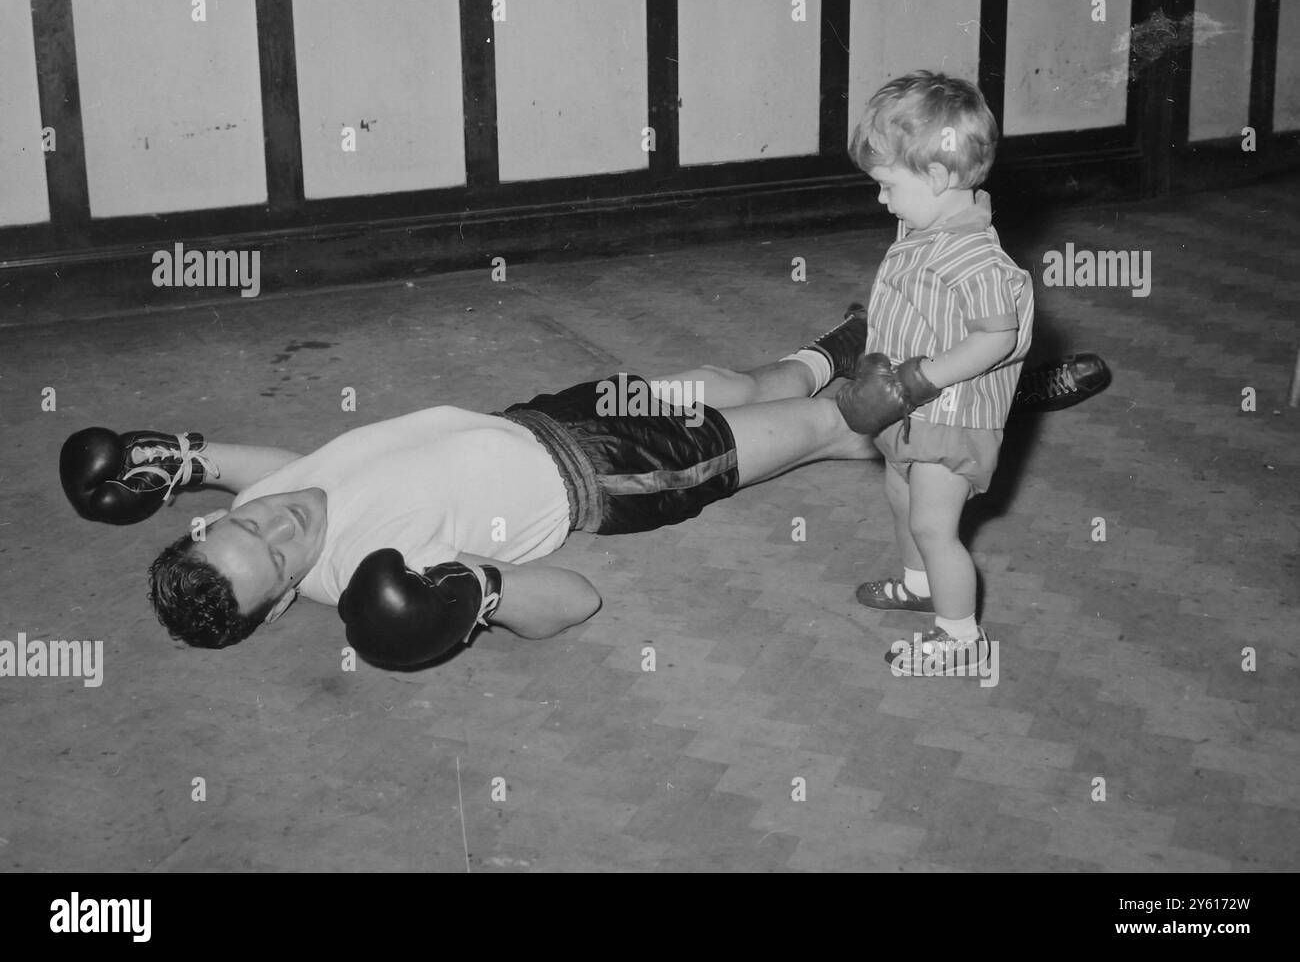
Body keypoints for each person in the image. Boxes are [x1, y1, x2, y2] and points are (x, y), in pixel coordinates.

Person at [61, 324, 1108, 672]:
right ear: (291, 599)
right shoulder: (366, 579)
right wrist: (475, 590)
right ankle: (1006, 386)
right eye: (277, 562)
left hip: (545, 410)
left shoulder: (269, 494)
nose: (281, 525)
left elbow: (268, 479)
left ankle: (832, 349)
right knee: (852, 418)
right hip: (613, 474)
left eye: (247, 524)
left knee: (759, 387)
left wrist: (186, 456)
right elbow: (574, 602)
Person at [834, 70, 1039, 677]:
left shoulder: (972, 254)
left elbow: (997, 335)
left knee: (933, 523)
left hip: (951, 416)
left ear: (938, 176)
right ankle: (919, 585)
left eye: (886, 185)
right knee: (900, 498)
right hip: (909, 409)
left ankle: (959, 640)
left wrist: (920, 378)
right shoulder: (927, 226)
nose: (881, 199)